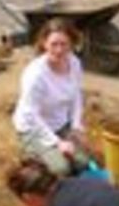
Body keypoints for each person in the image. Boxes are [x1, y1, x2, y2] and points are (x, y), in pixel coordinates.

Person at [12, 18, 93, 177]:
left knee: (82, 163)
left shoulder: (74, 63)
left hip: (60, 124)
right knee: (61, 169)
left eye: (64, 44)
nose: (59, 50)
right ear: (44, 43)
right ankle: (30, 156)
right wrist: (58, 143)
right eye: (54, 44)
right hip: (32, 128)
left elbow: (76, 95)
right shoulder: (35, 75)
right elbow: (32, 115)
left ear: (71, 44)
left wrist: (76, 127)